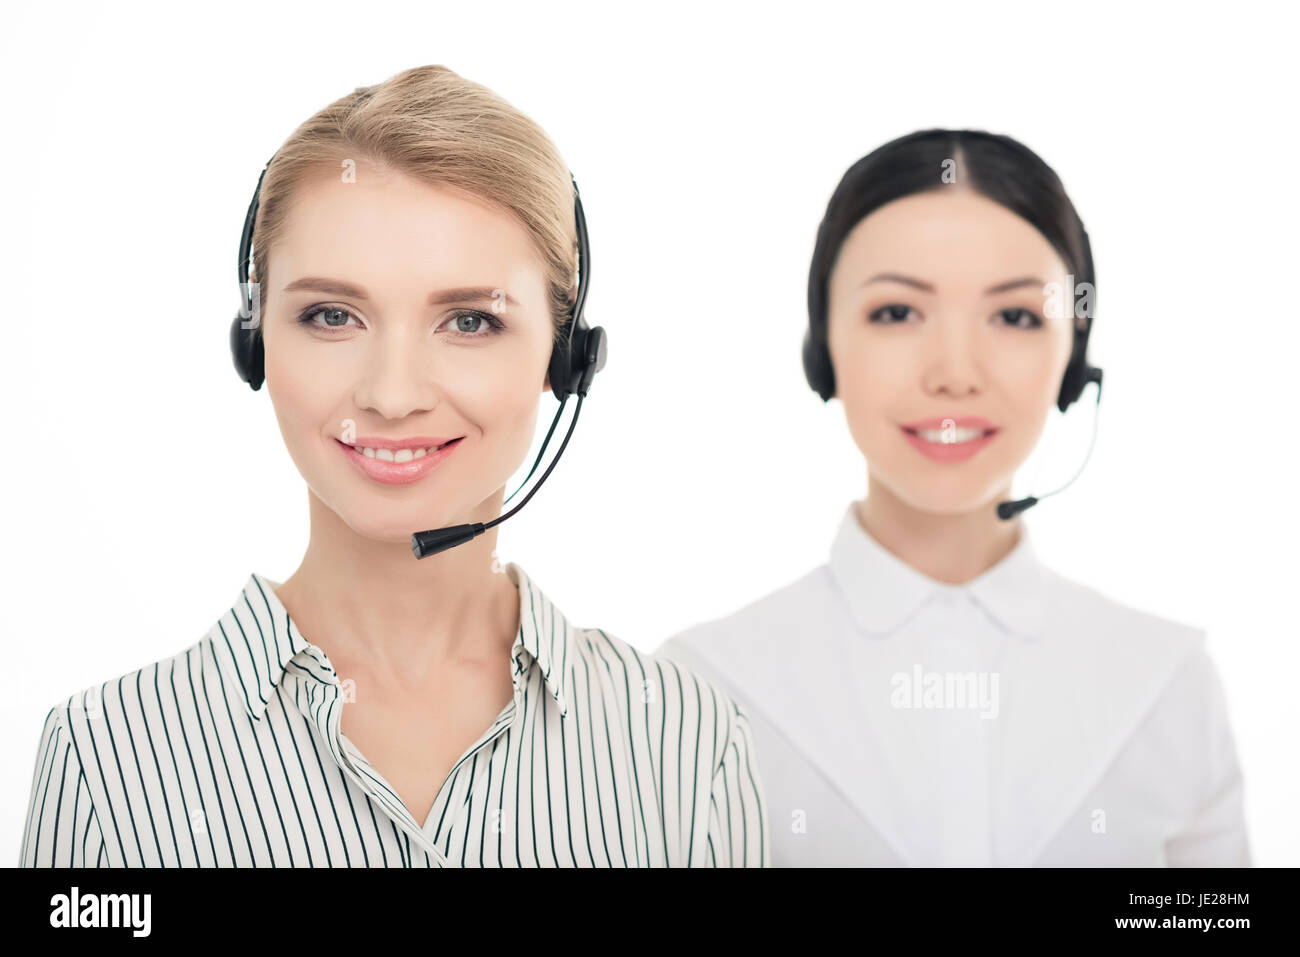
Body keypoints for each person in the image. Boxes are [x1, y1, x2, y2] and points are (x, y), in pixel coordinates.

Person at [20, 65, 767, 868]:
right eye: (332, 315)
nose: (391, 394)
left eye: (470, 320)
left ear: (566, 355)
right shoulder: (104, 761)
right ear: (255, 340)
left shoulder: (688, 742)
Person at [658, 129, 1249, 867]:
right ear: (823, 349)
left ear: (1073, 361)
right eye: (898, 312)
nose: (955, 373)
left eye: (1016, 316)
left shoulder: (1170, 681)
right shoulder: (696, 690)